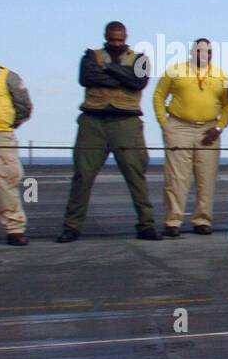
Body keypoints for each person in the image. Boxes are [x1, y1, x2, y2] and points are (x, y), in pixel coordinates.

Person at [58, 21, 160, 242]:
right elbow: (85, 77)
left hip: (127, 122)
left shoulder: (140, 59)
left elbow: (138, 82)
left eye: (120, 40)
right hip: (93, 120)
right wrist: (122, 77)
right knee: (82, 176)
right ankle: (71, 226)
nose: (116, 43)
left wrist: (107, 69)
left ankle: (147, 224)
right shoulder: (90, 56)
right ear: (105, 37)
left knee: (136, 175)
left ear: (126, 37)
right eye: (112, 39)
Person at [153, 39, 228, 236]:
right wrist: (165, 124)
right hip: (179, 126)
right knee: (177, 177)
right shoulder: (175, 70)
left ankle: (202, 220)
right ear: (192, 52)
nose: (204, 55)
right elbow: (159, 95)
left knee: (206, 177)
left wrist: (220, 127)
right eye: (199, 51)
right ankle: (173, 221)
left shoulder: (221, 75)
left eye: (208, 52)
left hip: (209, 128)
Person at [0, 37, 33, 246]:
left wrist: (9, 125)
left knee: (5, 181)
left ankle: (14, 229)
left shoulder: (6, 76)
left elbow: (24, 106)